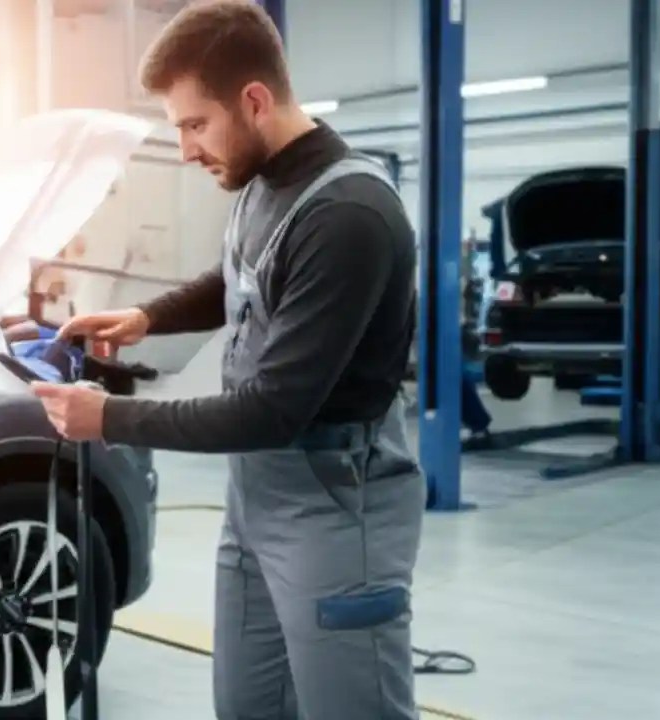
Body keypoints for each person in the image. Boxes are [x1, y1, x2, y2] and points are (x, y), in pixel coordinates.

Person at [30, 1, 423, 718]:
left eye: (193, 124)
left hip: (336, 502)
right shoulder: (261, 183)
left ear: (253, 100)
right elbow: (238, 277)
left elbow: (274, 409)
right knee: (247, 704)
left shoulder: (349, 217)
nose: (185, 149)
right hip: (255, 499)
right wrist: (148, 317)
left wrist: (109, 417)